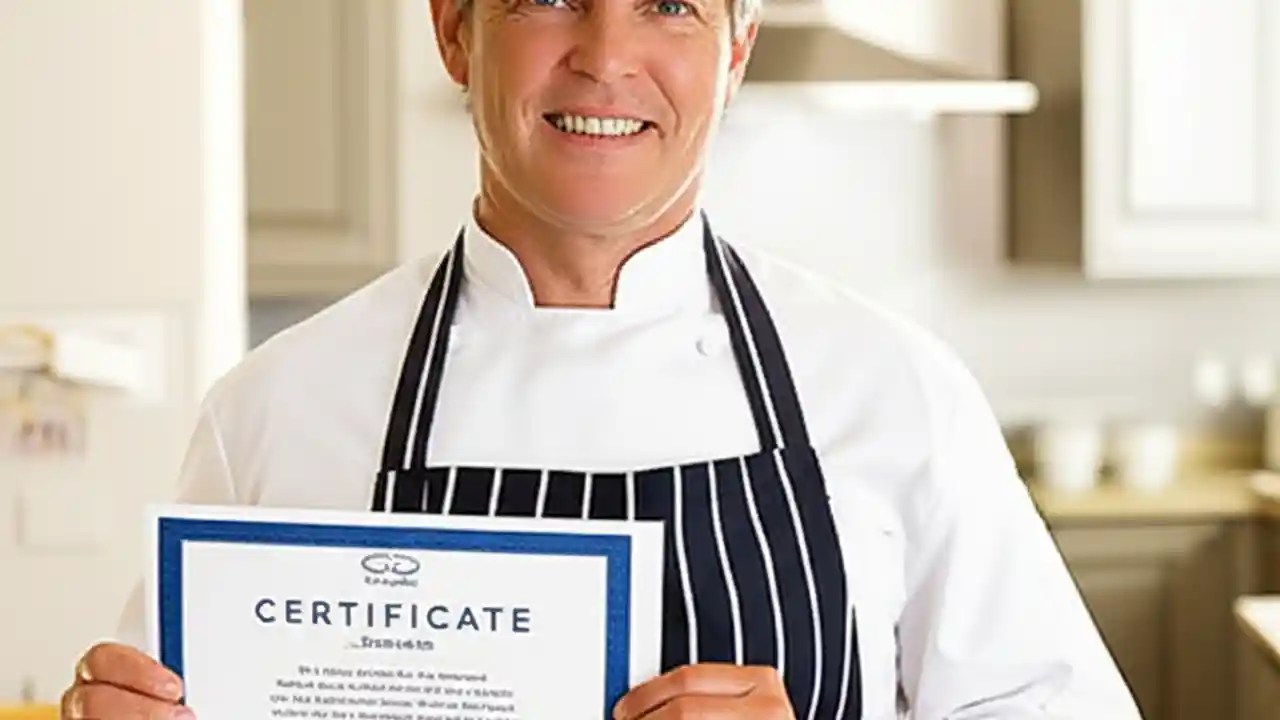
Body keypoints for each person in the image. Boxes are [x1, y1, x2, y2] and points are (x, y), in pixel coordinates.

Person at [60, 0, 1141, 717]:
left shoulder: (893, 390)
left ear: (734, 51)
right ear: (452, 30)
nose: (606, 54)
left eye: (668, 4)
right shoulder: (276, 409)